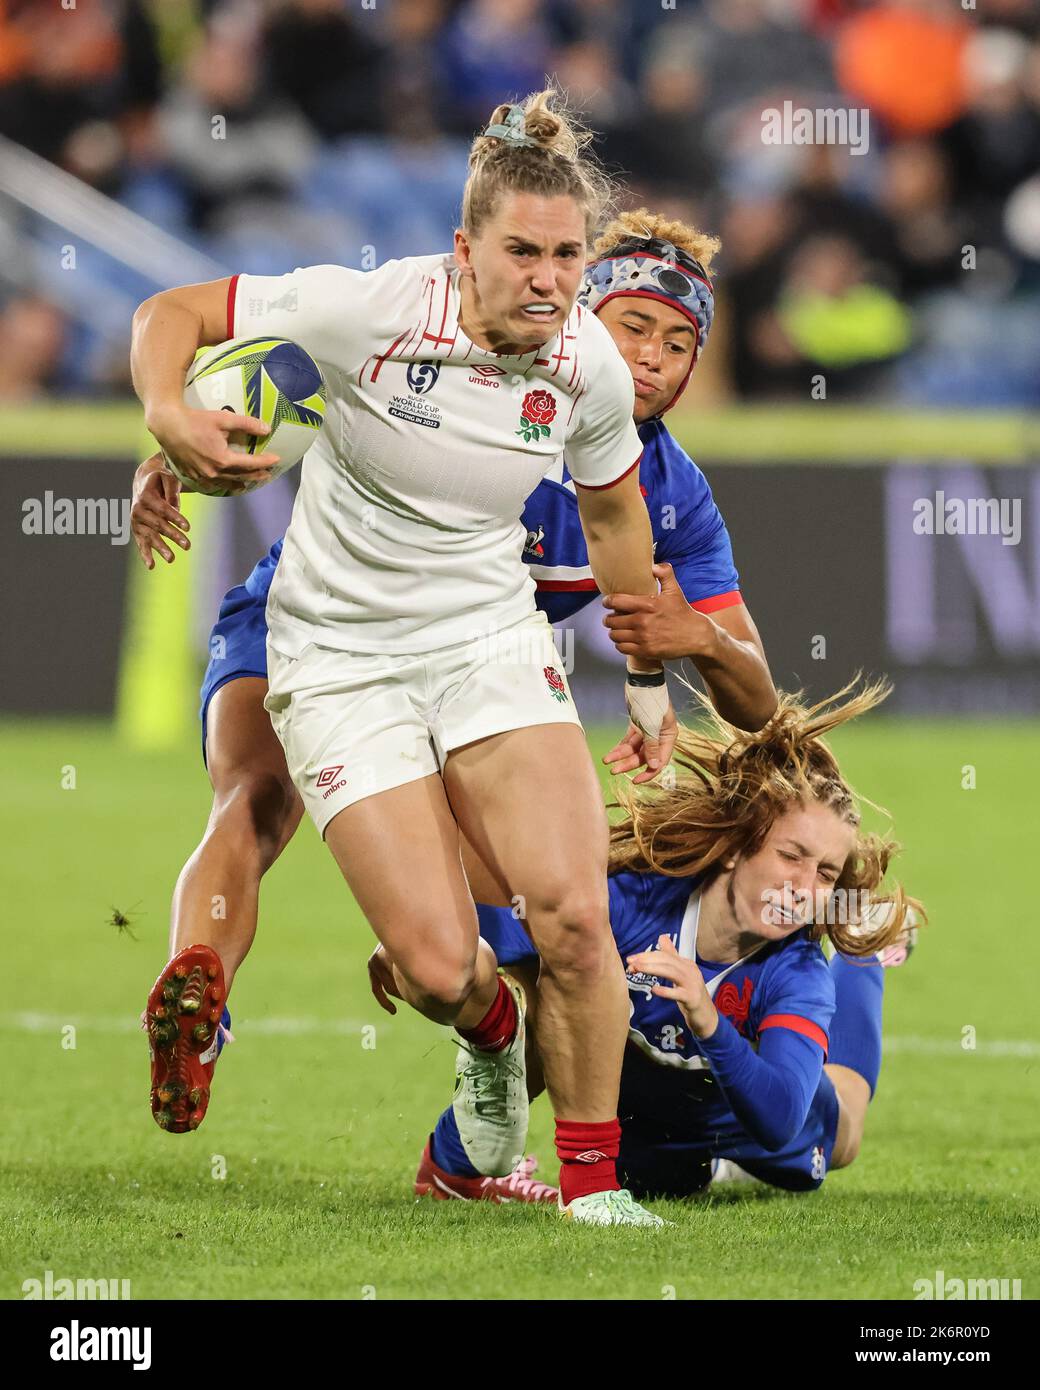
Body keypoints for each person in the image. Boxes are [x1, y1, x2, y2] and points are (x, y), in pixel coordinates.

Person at [131, 204, 777, 1215]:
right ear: (577, 315)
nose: (649, 359)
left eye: (677, 342)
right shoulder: (479, 383)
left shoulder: (669, 494)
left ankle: (477, 1141)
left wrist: (689, 648)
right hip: (316, 620)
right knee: (259, 799)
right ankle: (203, 984)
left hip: (473, 672)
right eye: (632, 328)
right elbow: (281, 392)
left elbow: (755, 698)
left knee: (528, 931)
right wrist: (173, 453)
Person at [377, 680, 923, 1208]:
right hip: (648, 1129)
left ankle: (866, 943)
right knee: (535, 995)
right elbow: (491, 936)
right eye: (791, 856)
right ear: (737, 847)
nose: (804, 889)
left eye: (826, 874)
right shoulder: (634, 900)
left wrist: (708, 1020)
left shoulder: (795, 971)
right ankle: (453, 1171)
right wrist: (416, 944)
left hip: (749, 1125)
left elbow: (780, 1121)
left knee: (845, 1125)